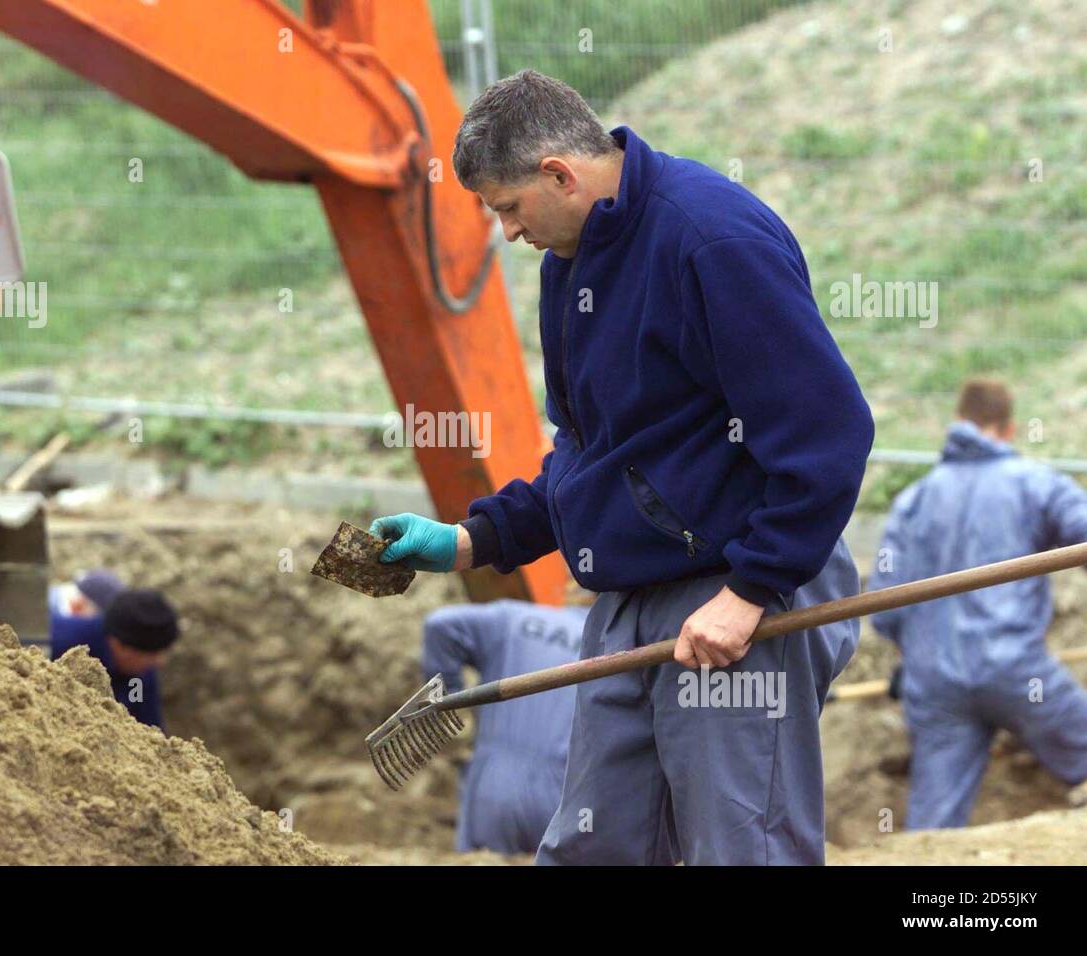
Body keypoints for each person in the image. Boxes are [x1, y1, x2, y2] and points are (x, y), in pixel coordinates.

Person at [369, 70, 873, 865]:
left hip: (737, 597)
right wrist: (473, 539)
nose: (507, 232)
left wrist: (749, 592)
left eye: (508, 208)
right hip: (630, 601)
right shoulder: (569, 267)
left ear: (559, 176)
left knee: (742, 847)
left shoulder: (711, 239)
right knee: (591, 847)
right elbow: (591, 455)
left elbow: (829, 430)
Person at [869, 378, 1087, 828]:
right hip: (1017, 671)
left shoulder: (913, 500)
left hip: (933, 684)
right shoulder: (1034, 482)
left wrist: (914, 656)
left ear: (957, 423)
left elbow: (885, 607)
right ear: (1008, 430)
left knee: (932, 830)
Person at [423, 593, 589, 854]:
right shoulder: (616, 647)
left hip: (493, 781)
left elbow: (439, 624)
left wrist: (452, 707)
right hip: (564, 795)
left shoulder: (512, 618)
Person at [48, 569, 180, 729]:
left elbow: (146, 728)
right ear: (120, 646)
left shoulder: (137, 679)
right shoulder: (58, 643)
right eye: (153, 654)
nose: (160, 661)